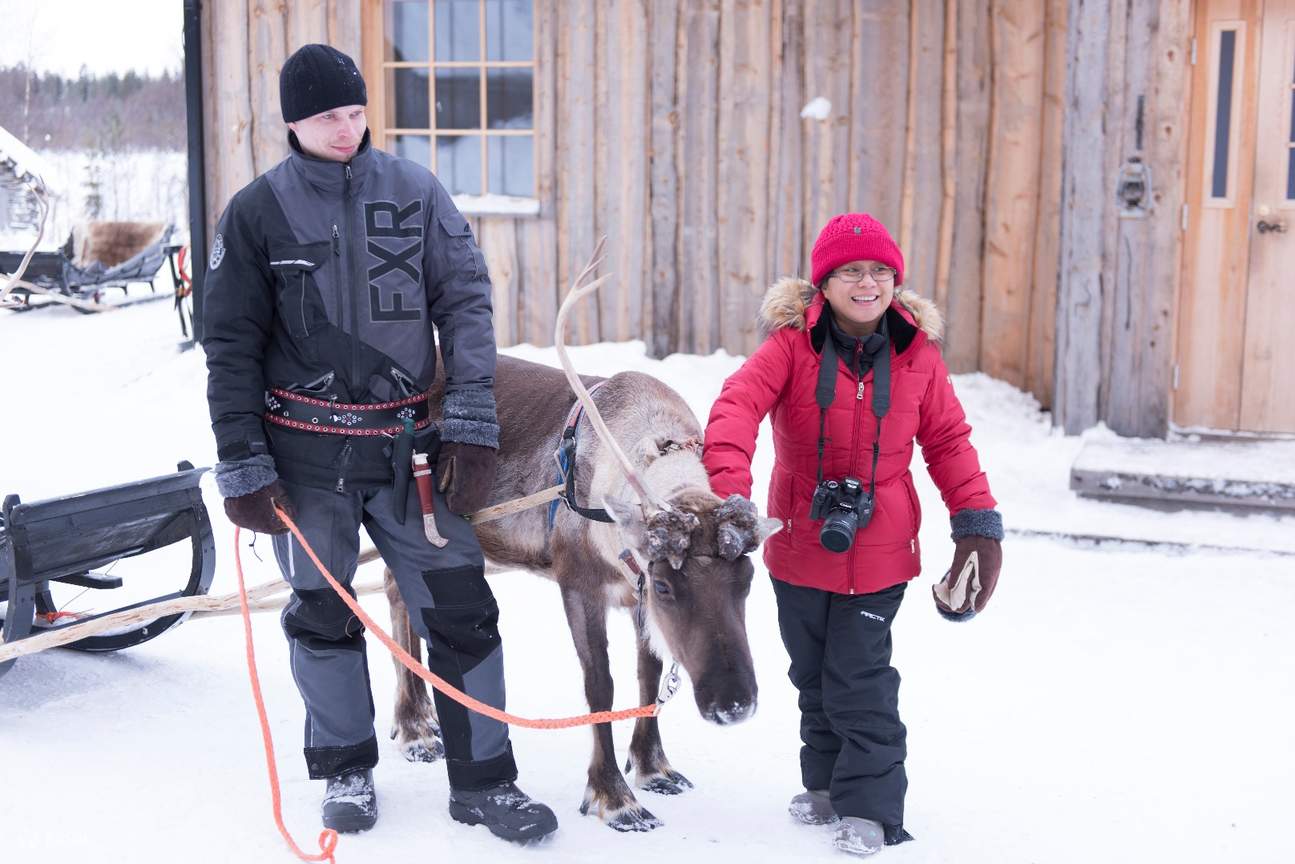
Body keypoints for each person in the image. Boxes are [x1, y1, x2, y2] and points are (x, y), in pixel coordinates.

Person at [201, 43, 557, 843]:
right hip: (302, 456)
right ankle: (346, 767)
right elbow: (228, 344)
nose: (347, 127)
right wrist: (244, 461)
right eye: (329, 114)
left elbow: (466, 301)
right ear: (294, 119)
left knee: (462, 611)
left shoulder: (416, 190)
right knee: (323, 613)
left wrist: (468, 421)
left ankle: (484, 783)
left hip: (412, 456)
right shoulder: (256, 212)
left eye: (357, 112)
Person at [702, 213, 1003, 857]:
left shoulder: (919, 354)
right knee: (811, 676)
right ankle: (827, 787)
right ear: (824, 283)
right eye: (850, 271)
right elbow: (736, 408)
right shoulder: (789, 347)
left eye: (880, 271)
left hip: (882, 548)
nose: (867, 283)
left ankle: (871, 809)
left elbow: (948, 442)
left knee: (859, 679)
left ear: (895, 280)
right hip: (798, 542)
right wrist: (730, 493)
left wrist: (976, 526)